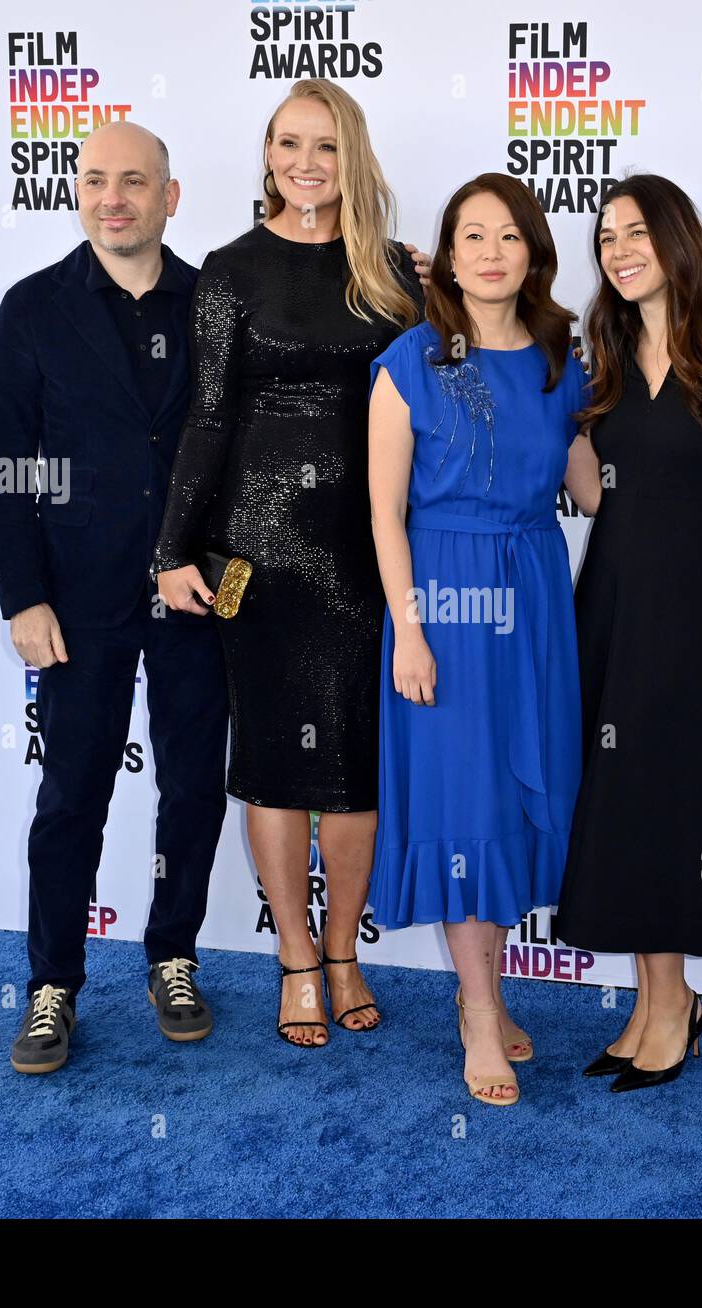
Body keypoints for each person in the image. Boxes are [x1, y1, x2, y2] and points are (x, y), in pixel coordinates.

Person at [152, 80, 428, 1048]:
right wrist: (171, 549)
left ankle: (345, 949)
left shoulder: (395, 273)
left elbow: (447, 389)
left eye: (324, 145)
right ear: (267, 153)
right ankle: (295, 959)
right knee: (272, 767)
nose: (305, 162)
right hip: (256, 555)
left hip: (364, 548)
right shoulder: (228, 271)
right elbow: (208, 416)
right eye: (287, 144)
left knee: (354, 767)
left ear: (351, 156)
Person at [0, 121, 229, 1074]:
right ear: (76, 192)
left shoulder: (216, 303)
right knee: (71, 795)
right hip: (76, 597)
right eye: (95, 180)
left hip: (194, 592)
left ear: (172, 196)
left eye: (135, 180)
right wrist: (22, 597)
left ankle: (174, 954)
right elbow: (7, 465)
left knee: (193, 787)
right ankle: (54, 984)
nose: (112, 196)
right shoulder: (33, 307)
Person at [366, 173, 591, 1106]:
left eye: (509, 235)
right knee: (464, 807)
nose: (491, 251)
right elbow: (383, 517)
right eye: (472, 236)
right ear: (447, 256)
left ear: (532, 253)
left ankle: (484, 995)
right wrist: (408, 636)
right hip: (445, 604)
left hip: (535, 601)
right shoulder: (407, 362)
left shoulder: (559, 360)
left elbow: (590, 489)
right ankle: (481, 1015)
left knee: (516, 800)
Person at [555, 175, 702, 1092]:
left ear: (678, 237)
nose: (619, 249)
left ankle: (672, 1002)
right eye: (607, 236)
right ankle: (660, 1004)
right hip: (610, 600)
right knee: (626, 803)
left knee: (676, 803)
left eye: (638, 231)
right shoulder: (597, 353)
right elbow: (586, 490)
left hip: (696, 612)